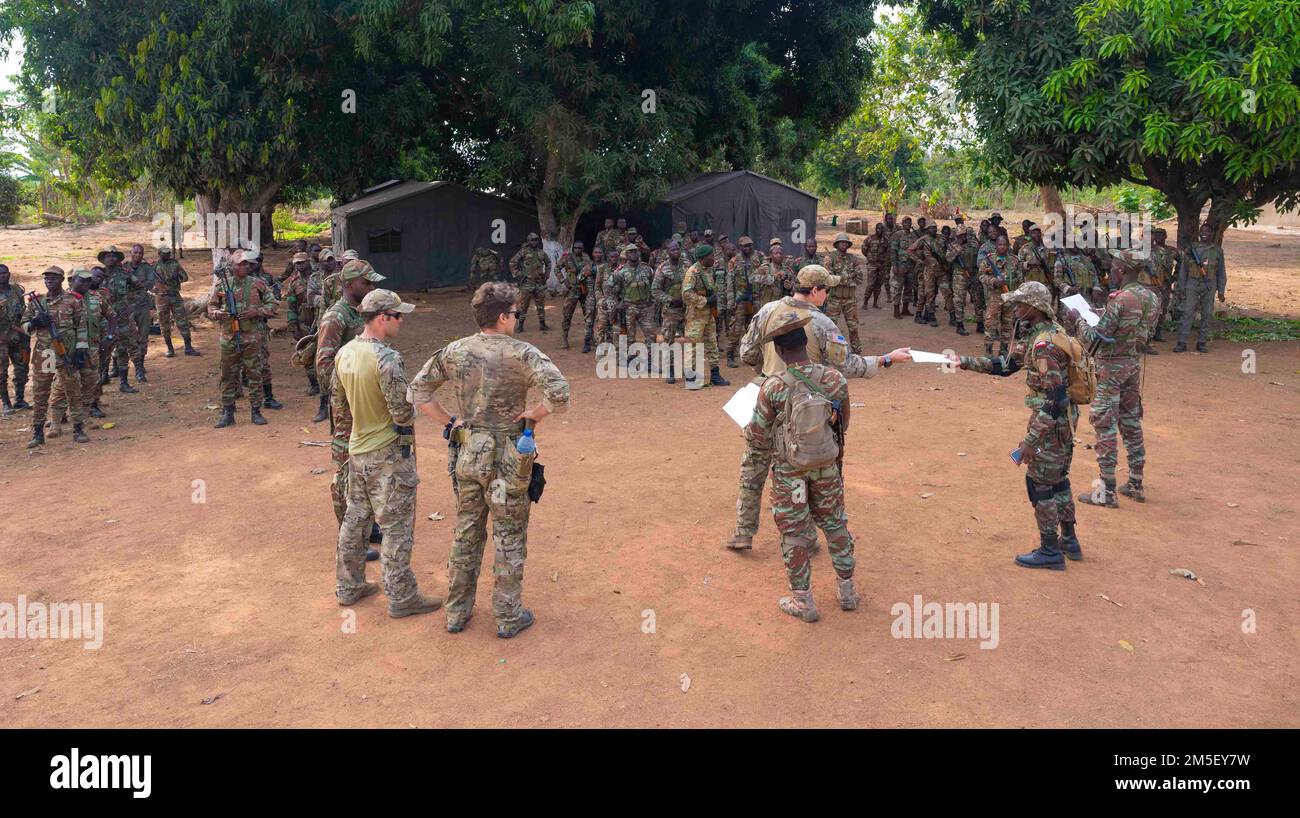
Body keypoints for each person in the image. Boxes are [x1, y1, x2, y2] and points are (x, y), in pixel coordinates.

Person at [408, 281, 571, 638]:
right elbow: (560, 393)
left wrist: (450, 421)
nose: (517, 317)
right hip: (511, 456)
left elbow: (417, 391)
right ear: (502, 316)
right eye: (514, 313)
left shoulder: (455, 352)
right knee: (510, 534)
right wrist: (535, 413)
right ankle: (508, 615)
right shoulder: (523, 354)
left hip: (469, 451)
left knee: (467, 531)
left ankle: (456, 612)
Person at [727, 264, 911, 550]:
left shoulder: (767, 311)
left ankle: (743, 531)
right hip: (803, 407)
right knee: (805, 467)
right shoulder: (822, 323)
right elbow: (846, 365)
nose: (828, 296)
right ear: (814, 291)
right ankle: (804, 537)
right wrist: (885, 359)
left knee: (753, 464)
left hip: (764, 395)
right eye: (826, 290)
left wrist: (770, 372)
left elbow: (746, 352)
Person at [952, 281, 1081, 570]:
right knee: (1058, 480)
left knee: (1040, 485)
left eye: (1020, 303)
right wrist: (964, 362)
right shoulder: (1049, 334)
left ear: (1035, 307)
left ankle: (1050, 550)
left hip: (1051, 423)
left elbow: (1054, 398)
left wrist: (1031, 442)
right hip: (1061, 423)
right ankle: (1070, 541)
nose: (1015, 307)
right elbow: (1007, 365)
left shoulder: (1044, 346)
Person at [332, 288, 443, 616]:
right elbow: (402, 413)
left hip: (358, 450)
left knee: (355, 519)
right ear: (382, 318)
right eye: (397, 315)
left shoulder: (345, 353)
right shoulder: (387, 359)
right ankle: (402, 596)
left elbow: (340, 406)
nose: (401, 320)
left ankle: (349, 585)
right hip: (388, 455)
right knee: (396, 526)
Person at [745, 318, 859, 621]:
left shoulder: (773, 387)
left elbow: (757, 435)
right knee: (835, 524)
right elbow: (843, 423)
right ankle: (847, 591)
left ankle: (803, 602)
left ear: (780, 351)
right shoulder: (835, 379)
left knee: (794, 533)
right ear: (805, 346)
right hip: (826, 466)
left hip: (789, 472)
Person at [1066, 253, 1159, 506]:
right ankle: (1136, 482)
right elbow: (1135, 329)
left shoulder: (1120, 300)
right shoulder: (1151, 297)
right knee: (1130, 421)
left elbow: (1096, 338)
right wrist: (1103, 312)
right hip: (1132, 364)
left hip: (1110, 367)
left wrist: (1079, 320)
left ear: (1120, 270)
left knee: (1105, 424)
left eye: (1113, 268)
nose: (1111, 272)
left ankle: (1106, 491)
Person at [317, 260, 383, 542]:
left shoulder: (366, 314)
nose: (371, 287)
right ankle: (350, 536)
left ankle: (368, 525)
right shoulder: (336, 317)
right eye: (366, 283)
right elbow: (323, 366)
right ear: (348, 285)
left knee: (368, 465)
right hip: (347, 407)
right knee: (347, 470)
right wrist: (353, 383)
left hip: (368, 405)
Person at [21, 266, 90, 448]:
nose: (49, 281)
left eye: (53, 278)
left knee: (73, 390)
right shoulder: (38, 302)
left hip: (66, 352)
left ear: (61, 280)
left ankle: (78, 428)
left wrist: (81, 349)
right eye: (46, 278)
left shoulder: (73, 301)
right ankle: (37, 432)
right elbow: (25, 326)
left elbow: (81, 326)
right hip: (46, 354)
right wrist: (35, 322)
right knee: (41, 392)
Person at [207, 251, 276, 428]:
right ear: (232, 266)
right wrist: (218, 313)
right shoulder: (222, 285)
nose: (243, 267)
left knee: (254, 374)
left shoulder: (258, 284)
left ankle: (256, 411)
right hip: (228, 337)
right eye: (239, 264)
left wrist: (258, 312)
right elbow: (211, 307)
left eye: (245, 264)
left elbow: (273, 303)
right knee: (228, 376)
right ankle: (228, 412)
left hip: (251, 337)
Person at [50, 268, 109, 426]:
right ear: (72, 281)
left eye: (88, 280)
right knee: (63, 383)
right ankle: (58, 416)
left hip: (91, 348)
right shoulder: (62, 299)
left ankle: (83, 416)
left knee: (90, 381)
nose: (85, 283)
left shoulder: (97, 298)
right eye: (81, 280)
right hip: (67, 350)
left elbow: (110, 315)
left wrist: (110, 336)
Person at [681, 244, 730, 388]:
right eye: (711, 256)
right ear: (703, 258)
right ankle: (690, 379)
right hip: (696, 315)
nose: (713, 258)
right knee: (693, 346)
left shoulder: (707, 270)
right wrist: (705, 300)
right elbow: (686, 294)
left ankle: (715, 375)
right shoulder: (693, 272)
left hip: (708, 314)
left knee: (712, 344)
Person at [1174, 223, 1226, 353]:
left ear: (1212, 234)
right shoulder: (1192, 249)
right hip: (1192, 283)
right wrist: (1180, 287)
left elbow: (1221, 272)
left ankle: (1202, 342)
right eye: (1202, 231)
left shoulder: (1217, 251)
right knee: (1187, 312)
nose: (1204, 234)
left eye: (1208, 232)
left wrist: (1221, 290)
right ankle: (1182, 342)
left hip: (1209, 284)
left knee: (1207, 313)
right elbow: (1183, 270)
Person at [99, 245, 139, 394]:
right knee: (103, 349)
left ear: (118, 259)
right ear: (103, 259)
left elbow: (139, 287)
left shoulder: (125, 273)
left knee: (122, 348)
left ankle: (124, 382)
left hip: (121, 318)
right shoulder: (97, 274)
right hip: (103, 319)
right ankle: (103, 376)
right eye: (108, 256)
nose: (111, 258)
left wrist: (132, 304)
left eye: (114, 256)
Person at [978, 234, 1024, 357]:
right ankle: (988, 350)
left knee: (1007, 324)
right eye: (999, 244)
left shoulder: (1014, 260)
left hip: (1010, 295)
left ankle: (1003, 349)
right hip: (995, 297)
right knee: (991, 323)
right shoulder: (989, 260)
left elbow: (1020, 279)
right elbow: (981, 276)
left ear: (1008, 246)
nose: (1002, 247)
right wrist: (994, 281)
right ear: (996, 246)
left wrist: (1018, 297)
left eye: (1004, 244)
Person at [152, 246, 199, 358]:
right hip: (161, 298)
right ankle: (169, 348)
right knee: (164, 323)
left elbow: (185, 277)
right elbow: (147, 281)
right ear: (159, 254)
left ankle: (188, 347)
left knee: (182, 321)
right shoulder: (154, 266)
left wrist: (176, 277)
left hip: (175, 296)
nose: (167, 255)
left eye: (168, 253)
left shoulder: (175, 264)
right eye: (164, 253)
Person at [822, 232, 865, 354]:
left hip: (850, 299)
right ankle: (827, 351)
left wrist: (840, 278)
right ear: (837, 244)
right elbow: (829, 279)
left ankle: (857, 351)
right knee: (830, 327)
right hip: (834, 299)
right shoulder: (830, 258)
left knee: (853, 328)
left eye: (846, 242)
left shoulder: (853, 258)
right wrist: (848, 277)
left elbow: (860, 278)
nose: (844, 244)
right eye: (841, 242)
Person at [652, 241, 689, 382]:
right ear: (667, 252)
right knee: (669, 340)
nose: (675, 251)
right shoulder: (662, 268)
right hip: (671, 310)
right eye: (672, 249)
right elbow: (655, 290)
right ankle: (670, 369)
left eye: (677, 249)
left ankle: (688, 367)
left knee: (690, 338)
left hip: (687, 308)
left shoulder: (687, 265)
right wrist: (670, 299)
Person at [725, 237, 765, 366]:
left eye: (749, 245)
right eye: (744, 246)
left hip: (756, 297)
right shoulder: (734, 261)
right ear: (740, 247)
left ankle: (753, 354)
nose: (747, 248)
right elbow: (730, 283)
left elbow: (767, 271)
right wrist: (731, 302)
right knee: (737, 327)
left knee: (755, 326)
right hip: (740, 297)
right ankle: (730, 353)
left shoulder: (759, 256)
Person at [0, 263, 30, 415]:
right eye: (0, 274)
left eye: (5, 273)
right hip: (1, 340)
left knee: (22, 369)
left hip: (18, 336)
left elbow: (23, 313)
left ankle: (20, 399)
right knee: (1, 372)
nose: (2, 276)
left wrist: (24, 334)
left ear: (9, 274)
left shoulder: (17, 290)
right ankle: (6, 403)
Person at [123, 243, 155, 382]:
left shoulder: (146, 268)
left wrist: (133, 283)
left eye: (140, 253)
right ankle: (118, 366)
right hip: (127, 307)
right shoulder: (124, 267)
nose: (137, 255)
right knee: (125, 336)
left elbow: (149, 284)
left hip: (142, 306)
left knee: (143, 337)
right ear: (131, 253)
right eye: (135, 252)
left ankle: (140, 367)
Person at [509, 232, 552, 332]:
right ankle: (520, 326)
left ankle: (542, 324)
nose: (535, 241)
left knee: (541, 305)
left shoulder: (541, 252)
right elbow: (512, 262)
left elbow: (548, 263)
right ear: (528, 241)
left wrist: (547, 274)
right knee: (524, 305)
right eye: (532, 240)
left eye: (536, 239)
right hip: (527, 283)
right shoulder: (523, 251)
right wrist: (518, 274)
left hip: (539, 283)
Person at [615, 243, 656, 345]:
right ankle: (630, 357)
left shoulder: (647, 269)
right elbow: (612, 289)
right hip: (629, 307)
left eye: (635, 251)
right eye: (630, 251)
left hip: (646, 308)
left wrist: (652, 301)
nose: (633, 253)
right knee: (629, 336)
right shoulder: (620, 272)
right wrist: (618, 303)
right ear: (626, 254)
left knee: (651, 335)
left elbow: (654, 285)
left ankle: (650, 359)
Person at [558, 240, 593, 350]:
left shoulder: (586, 258)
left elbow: (590, 271)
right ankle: (564, 339)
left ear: (583, 249)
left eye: (580, 248)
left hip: (583, 290)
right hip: (572, 290)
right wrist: (563, 280)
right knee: (567, 315)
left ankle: (590, 337)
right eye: (576, 248)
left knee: (588, 314)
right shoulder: (567, 258)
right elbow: (556, 268)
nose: (578, 249)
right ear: (573, 249)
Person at [861, 222, 891, 309]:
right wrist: (870, 257)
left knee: (878, 285)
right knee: (870, 284)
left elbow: (888, 252)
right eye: (878, 229)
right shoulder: (870, 239)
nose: (880, 231)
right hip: (872, 265)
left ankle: (875, 303)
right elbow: (864, 249)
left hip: (881, 265)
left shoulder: (886, 240)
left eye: (882, 229)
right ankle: (865, 303)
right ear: (876, 229)